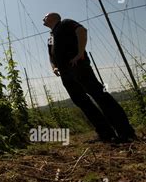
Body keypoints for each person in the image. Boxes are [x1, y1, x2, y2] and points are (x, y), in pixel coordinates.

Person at [42, 12, 137, 143]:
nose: (43, 19)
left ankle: (126, 132)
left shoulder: (66, 23)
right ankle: (106, 134)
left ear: (54, 18)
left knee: (99, 95)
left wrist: (80, 52)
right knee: (82, 101)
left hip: (77, 66)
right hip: (65, 73)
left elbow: (81, 30)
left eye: (45, 17)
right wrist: (54, 66)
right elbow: (51, 54)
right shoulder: (51, 37)